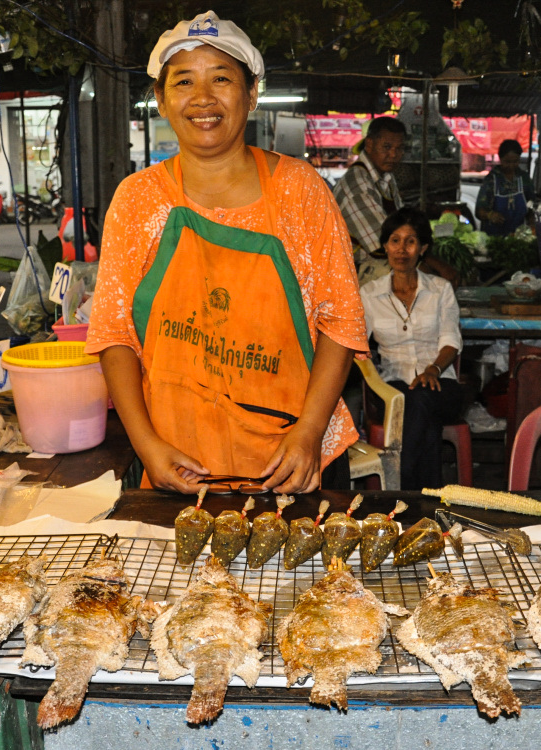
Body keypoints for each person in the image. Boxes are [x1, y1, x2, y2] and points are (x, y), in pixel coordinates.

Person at [84, 11, 367, 495]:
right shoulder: (137, 200)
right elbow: (114, 335)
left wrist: (309, 433)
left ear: (251, 93)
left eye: (221, 79)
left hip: (291, 466)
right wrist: (147, 445)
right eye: (184, 82)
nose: (203, 99)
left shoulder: (300, 191)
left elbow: (340, 323)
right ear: (161, 99)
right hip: (179, 462)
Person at [360, 207, 463, 490]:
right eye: (395, 240)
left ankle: (397, 484)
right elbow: (358, 343)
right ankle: (427, 496)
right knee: (420, 411)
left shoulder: (441, 290)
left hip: (441, 384)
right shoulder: (370, 294)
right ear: (385, 246)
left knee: (421, 399)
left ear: (423, 248)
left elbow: (450, 341)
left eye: (410, 241)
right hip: (392, 386)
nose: (401, 249)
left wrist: (433, 369)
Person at [333, 118, 459, 287]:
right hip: (354, 276)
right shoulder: (358, 184)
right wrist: (431, 269)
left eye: (399, 149)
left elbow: (401, 226)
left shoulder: (386, 177)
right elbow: (383, 243)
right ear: (369, 144)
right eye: (387, 147)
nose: (393, 155)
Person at [475, 139, 536, 235]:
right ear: (500, 158)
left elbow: (532, 205)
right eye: (507, 162)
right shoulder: (491, 179)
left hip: (519, 236)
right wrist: (490, 215)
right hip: (494, 237)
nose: (511, 166)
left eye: (515, 161)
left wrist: (532, 225)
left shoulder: (524, 178)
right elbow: (479, 210)